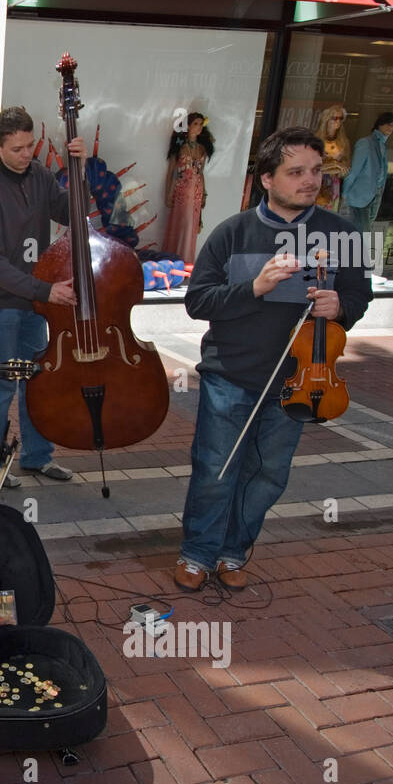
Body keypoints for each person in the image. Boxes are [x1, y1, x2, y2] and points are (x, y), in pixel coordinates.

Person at [175, 127, 373, 594]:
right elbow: (198, 301)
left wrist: (340, 308)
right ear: (267, 178)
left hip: (300, 380)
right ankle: (197, 553)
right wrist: (254, 289)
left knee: (266, 474)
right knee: (215, 469)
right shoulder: (232, 232)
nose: (311, 181)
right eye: (296, 172)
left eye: (316, 171)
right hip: (231, 375)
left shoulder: (342, 234)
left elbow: (359, 297)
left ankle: (232, 553)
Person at [0, 105, 83, 488]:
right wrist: (47, 290)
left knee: (37, 380)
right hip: (1, 304)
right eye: (17, 148)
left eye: (30, 145)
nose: (26, 154)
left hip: (36, 302)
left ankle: (37, 458)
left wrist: (79, 171)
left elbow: (71, 212)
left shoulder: (41, 175)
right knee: (2, 383)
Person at [162, 111, 214, 263]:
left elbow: (201, 173)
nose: (198, 127)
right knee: (181, 224)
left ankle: (186, 261)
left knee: (191, 226)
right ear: (188, 126)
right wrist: (168, 193)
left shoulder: (202, 149)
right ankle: (174, 259)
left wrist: (203, 193)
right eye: (195, 124)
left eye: (200, 124)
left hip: (196, 191)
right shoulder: (180, 147)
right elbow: (171, 172)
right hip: (181, 190)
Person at [342, 111, 393, 234]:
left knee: (362, 232)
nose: (391, 128)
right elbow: (354, 171)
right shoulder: (365, 143)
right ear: (380, 124)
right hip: (359, 195)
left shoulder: (382, 145)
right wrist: (344, 194)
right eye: (388, 124)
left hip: (375, 195)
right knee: (363, 233)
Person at [313, 104, 350, 211]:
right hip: (316, 182)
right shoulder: (316, 140)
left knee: (329, 216)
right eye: (334, 118)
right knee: (309, 217)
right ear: (327, 119)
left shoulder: (343, 142)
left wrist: (340, 167)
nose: (338, 121)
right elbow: (313, 167)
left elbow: (346, 165)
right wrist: (335, 164)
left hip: (334, 183)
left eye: (341, 118)